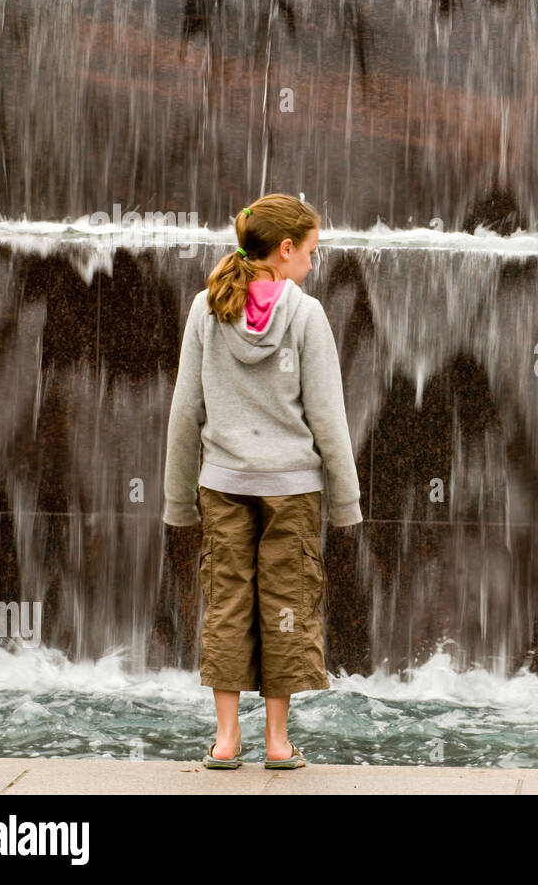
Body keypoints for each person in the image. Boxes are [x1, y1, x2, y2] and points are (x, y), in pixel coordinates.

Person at [160, 192, 363, 770]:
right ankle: (277, 742)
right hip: (293, 489)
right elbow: (327, 415)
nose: (312, 264)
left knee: (226, 604)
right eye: (310, 253)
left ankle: (226, 742)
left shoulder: (206, 307)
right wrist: (346, 502)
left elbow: (185, 409)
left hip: (222, 483)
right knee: (288, 604)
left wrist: (178, 499)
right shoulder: (306, 314)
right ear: (285, 248)